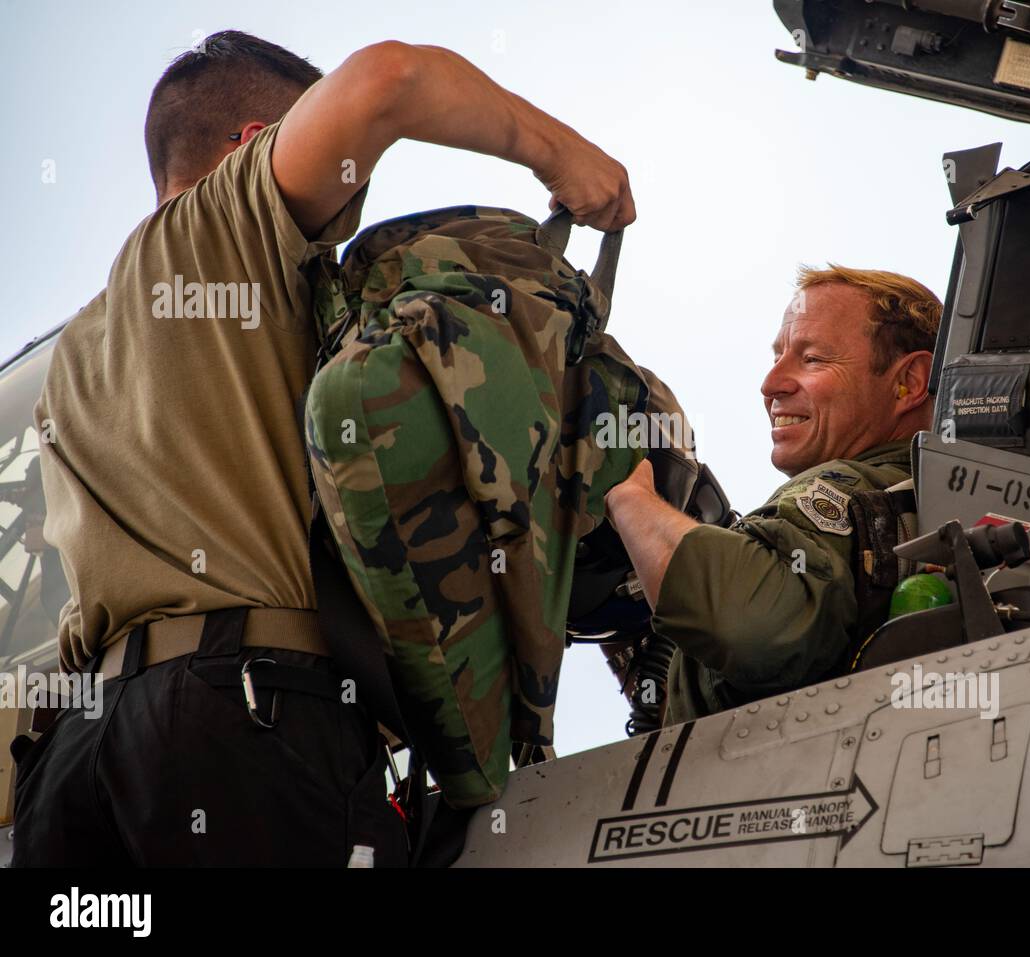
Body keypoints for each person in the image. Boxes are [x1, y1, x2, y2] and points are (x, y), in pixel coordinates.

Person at [13, 31, 632, 866]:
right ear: (254, 143)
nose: (354, 204)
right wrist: (567, 158)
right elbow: (391, 78)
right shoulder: (219, 230)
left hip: (78, 763)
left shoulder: (80, 351)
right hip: (238, 719)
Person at [604, 266, 940, 724]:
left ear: (909, 382)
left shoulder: (855, 491)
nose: (771, 383)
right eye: (778, 355)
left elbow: (750, 622)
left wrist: (629, 498)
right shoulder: (932, 500)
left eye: (813, 359)